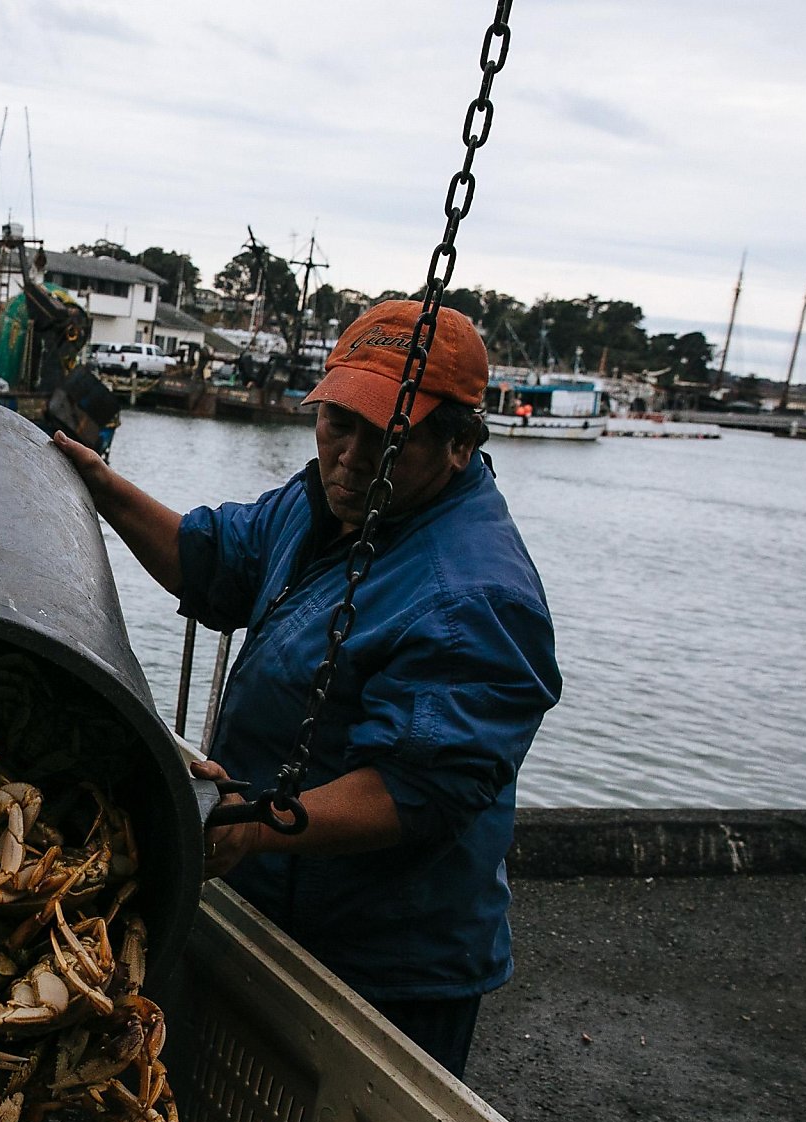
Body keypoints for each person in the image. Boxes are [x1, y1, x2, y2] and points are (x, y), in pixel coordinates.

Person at [51, 300, 559, 1080]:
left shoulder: (475, 594)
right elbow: (212, 559)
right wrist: (98, 486)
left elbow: (418, 789)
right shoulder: (323, 500)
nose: (352, 458)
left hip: (386, 964)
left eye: (387, 439)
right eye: (338, 424)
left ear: (459, 445)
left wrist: (252, 825)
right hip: (275, 906)